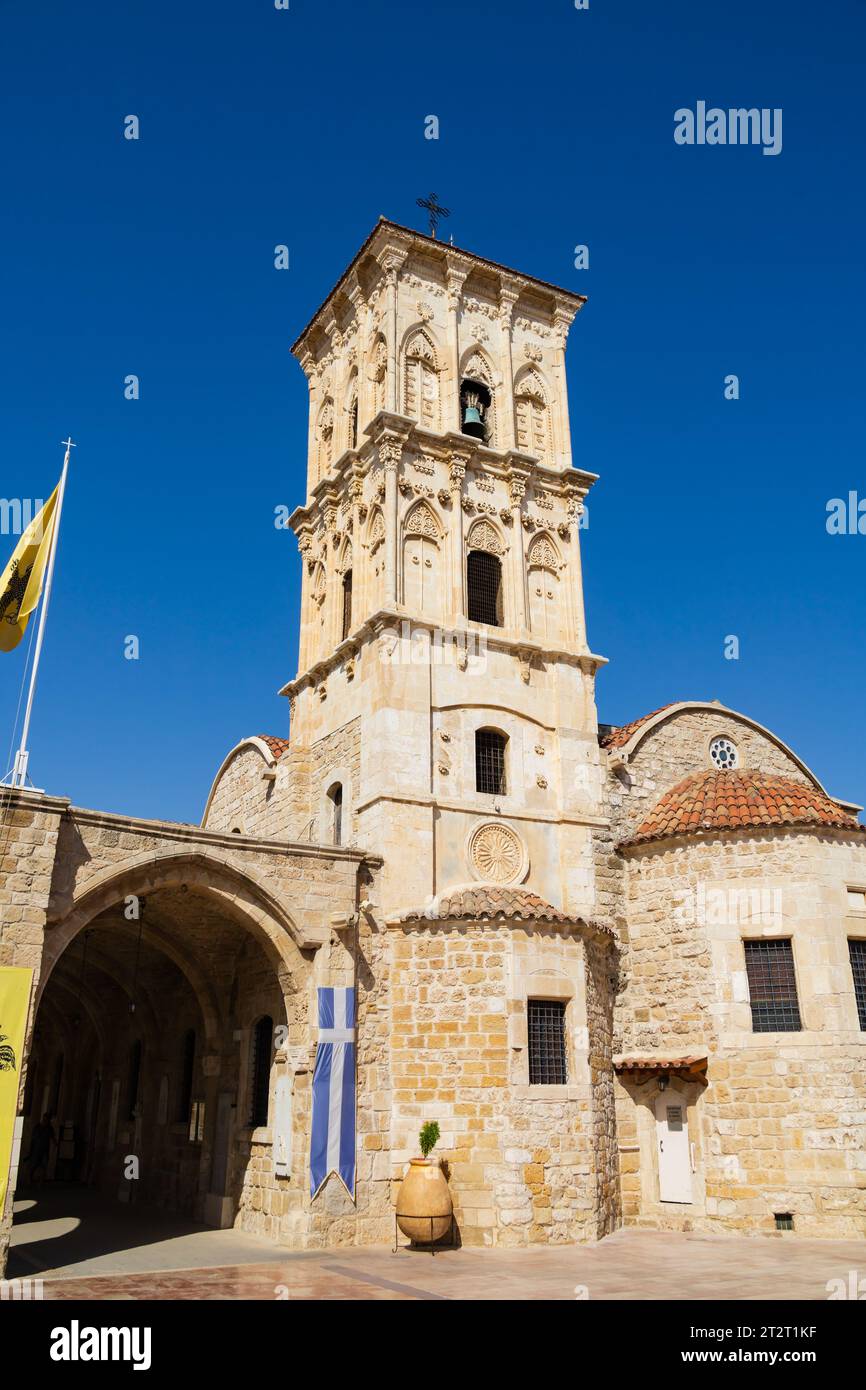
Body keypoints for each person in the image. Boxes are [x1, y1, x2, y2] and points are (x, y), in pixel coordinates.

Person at [25, 1113, 55, 1185]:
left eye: (47, 1119)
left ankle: (40, 1182)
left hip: (45, 1150)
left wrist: (55, 1143)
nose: (46, 1121)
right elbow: (33, 1138)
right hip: (37, 1149)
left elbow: (52, 1137)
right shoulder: (38, 1127)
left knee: (44, 1166)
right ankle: (30, 1180)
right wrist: (31, 1150)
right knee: (34, 1165)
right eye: (45, 1119)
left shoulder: (49, 1128)